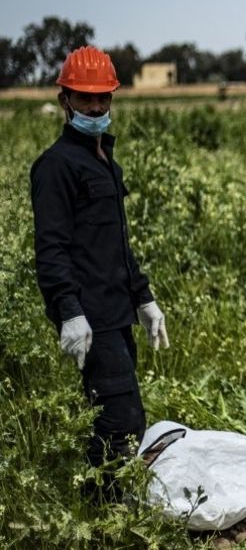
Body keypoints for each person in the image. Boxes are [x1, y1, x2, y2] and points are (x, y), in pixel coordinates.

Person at [30, 46, 170, 500]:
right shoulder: (55, 167)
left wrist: (144, 298)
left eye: (102, 99)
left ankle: (106, 501)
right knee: (120, 417)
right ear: (64, 100)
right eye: (84, 98)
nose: (95, 108)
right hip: (90, 316)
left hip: (117, 309)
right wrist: (69, 312)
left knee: (119, 415)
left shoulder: (105, 161)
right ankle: (105, 508)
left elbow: (117, 245)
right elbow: (51, 250)